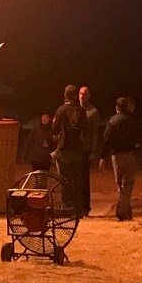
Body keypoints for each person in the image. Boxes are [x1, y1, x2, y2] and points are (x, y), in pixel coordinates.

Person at [99, 96, 142, 221]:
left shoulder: (112, 121)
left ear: (117, 108)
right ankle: (122, 212)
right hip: (129, 155)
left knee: (120, 185)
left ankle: (125, 211)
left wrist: (103, 157)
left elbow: (106, 140)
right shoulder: (131, 120)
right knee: (128, 184)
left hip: (116, 156)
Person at [51, 84, 88, 214]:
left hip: (64, 150)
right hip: (77, 150)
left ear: (65, 95)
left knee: (65, 182)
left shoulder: (61, 110)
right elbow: (86, 130)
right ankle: (80, 209)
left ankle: (67, 209)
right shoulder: (82, 111)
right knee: (78, 181)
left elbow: (54, 130)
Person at [78, 84, 101, 215]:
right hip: (75, 147)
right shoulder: (74, 109)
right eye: (81, 94)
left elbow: (94, 133)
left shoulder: (92, 111)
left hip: (85, 148)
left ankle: (86, 207)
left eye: (85, 94)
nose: (82, 96)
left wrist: (93, 151)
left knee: (84, 179)